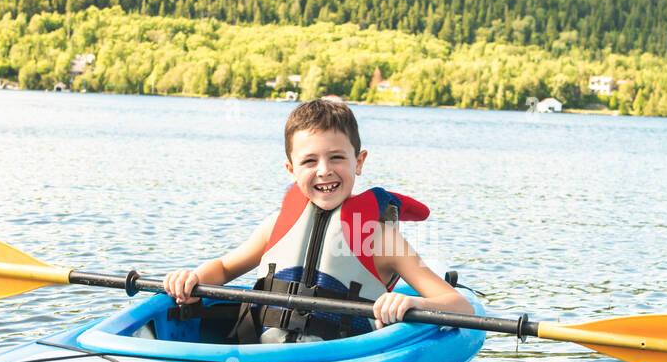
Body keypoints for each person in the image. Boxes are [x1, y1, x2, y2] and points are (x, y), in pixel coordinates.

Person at [162, 98, 473, 342]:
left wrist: (414, 305)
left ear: (359, 162)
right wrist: (192, 278)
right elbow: (225, 268)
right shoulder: (276, 226)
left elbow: (459, 306)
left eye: (336, 157)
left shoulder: (379, 238)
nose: (324, 170)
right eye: (309, 161)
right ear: (291, 170)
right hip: (262, 358)